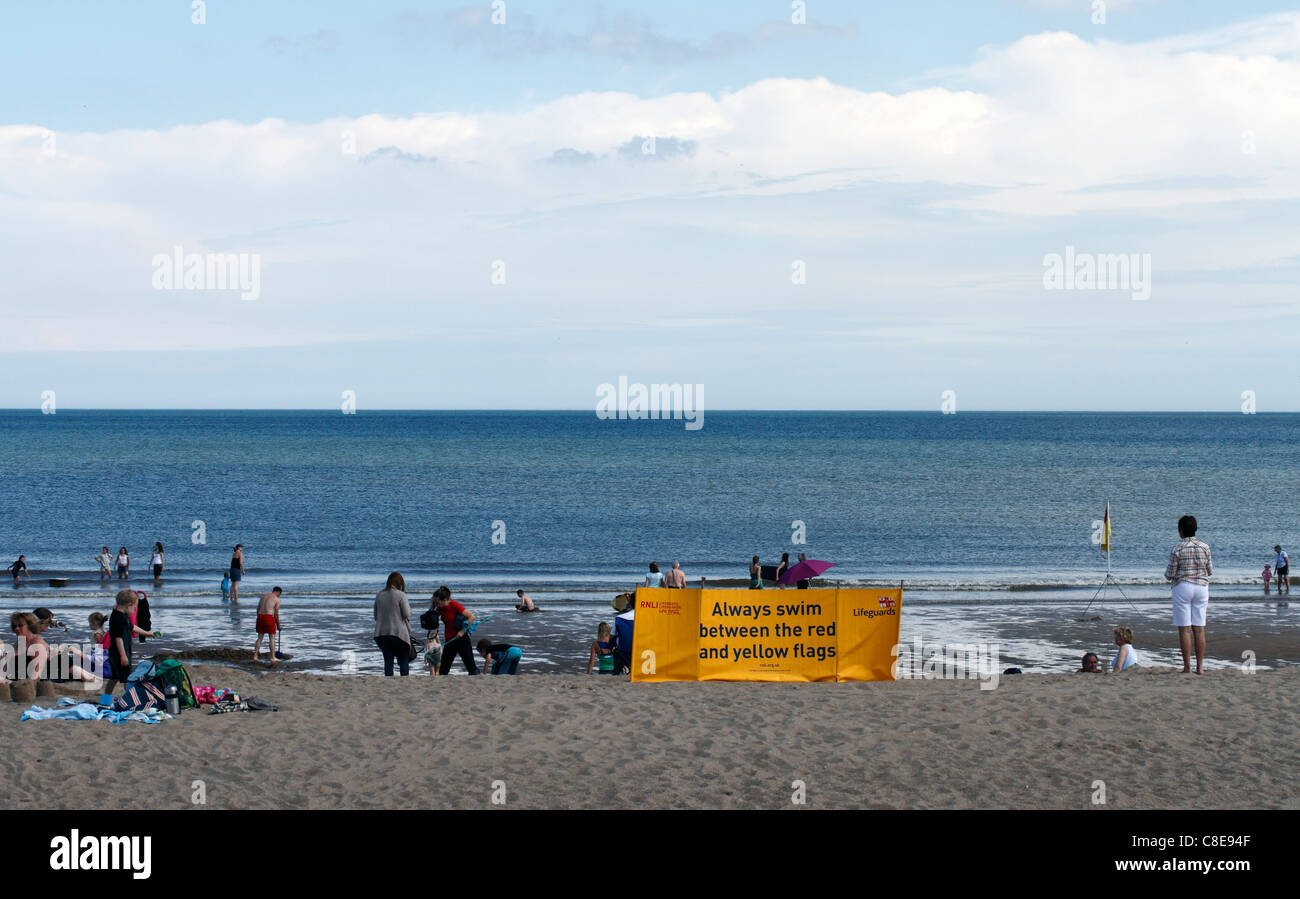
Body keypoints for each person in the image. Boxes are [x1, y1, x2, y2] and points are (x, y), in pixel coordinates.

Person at [1165, 515, 1212, 675]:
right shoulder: (1205, 547)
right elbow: (1210, 570)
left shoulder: (1177, 548)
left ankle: (1187, 667)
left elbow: (1170, 574)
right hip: (1201, 586)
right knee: (1199, 629)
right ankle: (1200, 667)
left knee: (1184, 629)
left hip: (1183, 586)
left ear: (1181, 531)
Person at [373, 573, 413, 677]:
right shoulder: (401, 595)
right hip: (398, 633)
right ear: (400, 583)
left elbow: (375, 616)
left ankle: (389, 682)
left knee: (388, 661)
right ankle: (404, 681)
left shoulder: (379, 594)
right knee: (403, 659)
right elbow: (407, 614)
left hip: (382, 633)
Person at [433, 585, 478, 675]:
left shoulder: (454, 605)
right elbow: (432, 618)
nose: (437, 605)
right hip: (450, 640)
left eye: (438, 602)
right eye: (436, 603)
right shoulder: (440, 608)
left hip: (462, 638)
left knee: (471, 667)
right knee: (443, 669)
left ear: (445, 599)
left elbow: (471, 617)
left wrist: (462, 631)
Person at [11, 612, 50, 681]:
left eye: (20, 625)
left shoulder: (37, 645)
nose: (16, 628)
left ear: (30, 626)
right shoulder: (20, 641)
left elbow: (35, 677)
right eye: (14, 626)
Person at [253, 587, 283, 664]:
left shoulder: (263, 596)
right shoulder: (277, 599)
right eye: (280, 594)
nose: (279, 596)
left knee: (259, 638)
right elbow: (276, 614)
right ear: (278, 592)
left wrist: (258, 618)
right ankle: (272, 657)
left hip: (260, 617)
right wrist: (278, 625)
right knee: (272, 637)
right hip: (269, 617)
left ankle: (255, 656)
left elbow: (258, 609)